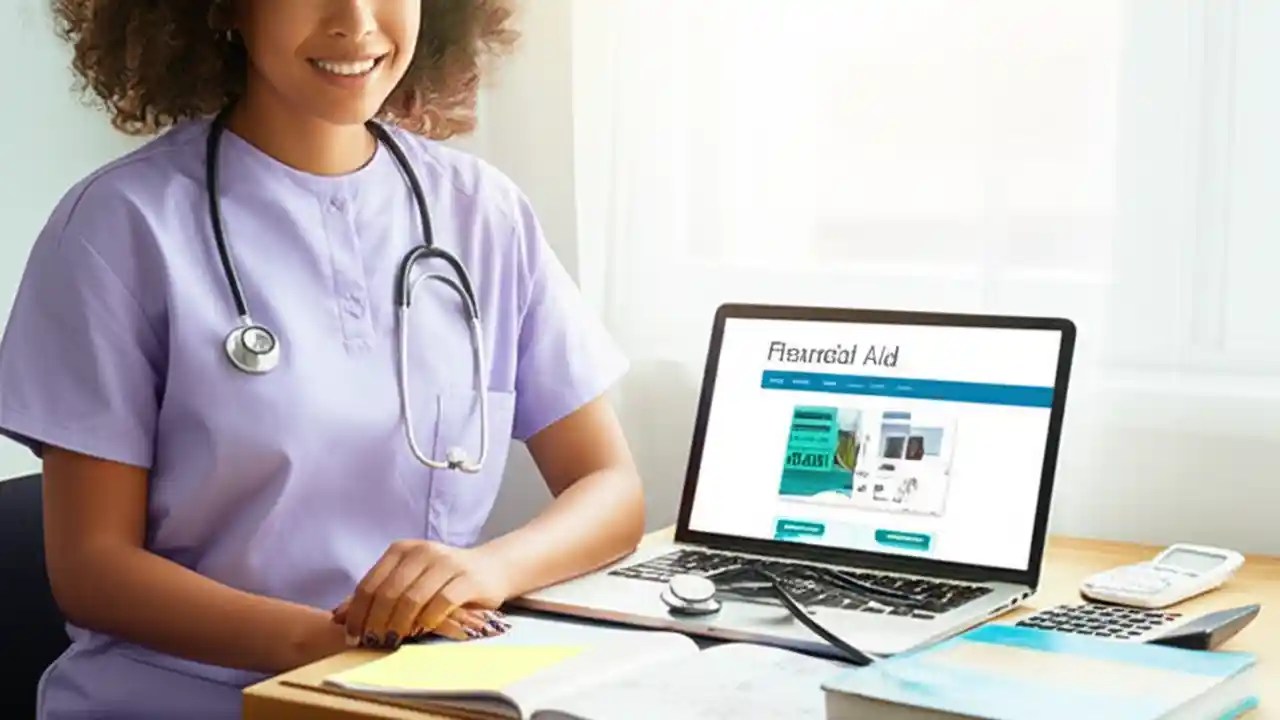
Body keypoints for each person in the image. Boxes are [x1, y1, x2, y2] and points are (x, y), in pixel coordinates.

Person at [0, 1, 645, 717]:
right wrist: (339, 646)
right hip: (185, 696)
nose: (357, 20)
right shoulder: (119, 226)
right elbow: (94, 571)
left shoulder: (484, 214)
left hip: (409, 692)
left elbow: (609, 487)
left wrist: (483, 571)